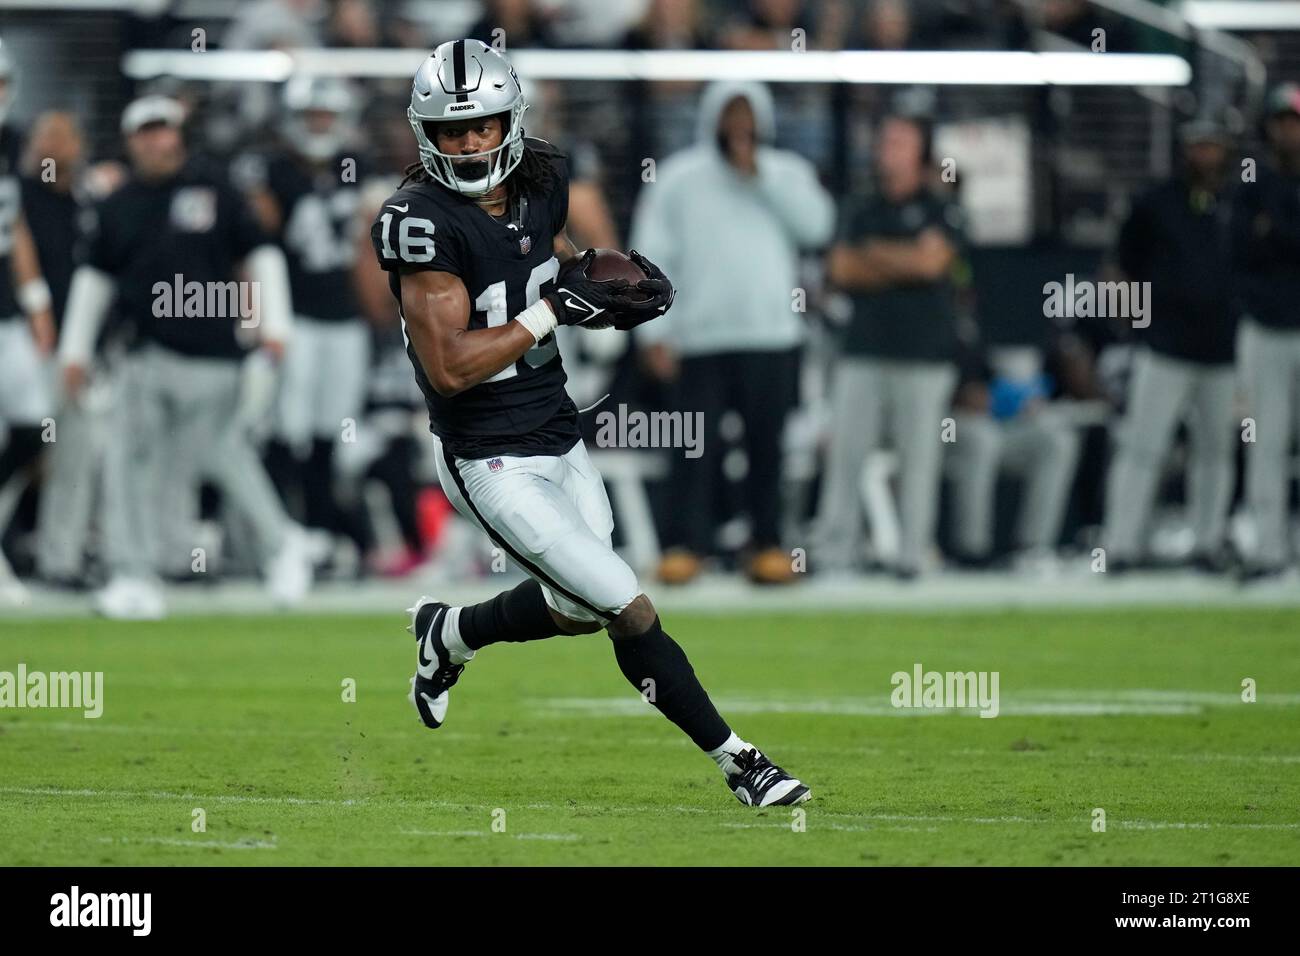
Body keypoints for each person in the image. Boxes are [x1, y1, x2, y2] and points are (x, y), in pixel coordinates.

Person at [371, 39, 810, 807]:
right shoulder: (419, 222)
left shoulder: (541, 175)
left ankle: (450, 634)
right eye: (454, 130)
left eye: (484, 126)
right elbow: (449, 366)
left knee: (578, 609)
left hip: (557, 428)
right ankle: (742, 763)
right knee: (625, 603)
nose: (472, 143)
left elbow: (560, 260)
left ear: (510, 121)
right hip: (487, 457)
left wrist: (604, 285)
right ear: (425, 134)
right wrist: (551, 310)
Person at [59, 95, 315, 618]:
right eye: (146, 132)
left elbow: (260, 250)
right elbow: (96, 276)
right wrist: (76, 348)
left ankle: (281, 542)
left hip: (216, 351)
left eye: (165, 130)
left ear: (178, 133)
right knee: (130, 462)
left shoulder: (216, 187)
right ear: (132, 139)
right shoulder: (119, 202)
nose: (157, 140)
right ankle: (134, 576)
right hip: (143, 350)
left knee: (219, 455)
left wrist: (276, 324)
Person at [630, 81, 834, 585]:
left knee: (768, 446)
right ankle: (685, 546)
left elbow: (817, 228)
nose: (739, 127)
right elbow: (650, 255)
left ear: (762, 121)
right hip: (698, 339)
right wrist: (653, 331)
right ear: (713, 118)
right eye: (731, 115)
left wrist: (758, 174)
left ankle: (765, 545)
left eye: (748, 116)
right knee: (692, 448)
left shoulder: (786, 173)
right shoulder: (679, 178)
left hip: (771, 336)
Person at [816, 112, 963, 578]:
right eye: (885, 138)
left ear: (921, 151)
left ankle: (911, 556)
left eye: (900, 140)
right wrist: (904, 258)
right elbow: (841, 270)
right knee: (845, 457)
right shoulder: (859, 205)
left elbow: (932, 264)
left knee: (919, 460)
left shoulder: (941, 205)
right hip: (862, 351)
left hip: (925, 355)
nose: (888, 147)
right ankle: (835, 553)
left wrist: (874, 254)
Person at [239, 76, 373, 556]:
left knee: (330, 431)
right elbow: (256, 235)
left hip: (344, 317)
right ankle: (281, 535)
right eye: (311, 116)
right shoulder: (271, 169)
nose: (319, 125)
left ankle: (320, 532)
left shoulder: (355, 165)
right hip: (292, 316)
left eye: (327, 116)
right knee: (285, 431)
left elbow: (367, 240)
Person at [1102, 119, 1238, 572]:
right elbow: (1122, 265)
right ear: (1185, 149)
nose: (1205, 154)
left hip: (1224, 348)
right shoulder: (1156, 203)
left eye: (1213, 145)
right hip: (1164, 345)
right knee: (1143, 447)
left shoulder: (1238, 201)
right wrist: (1133, 325)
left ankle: (1208, 543)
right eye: (1198, 145)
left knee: (1216, 451)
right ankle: (1119, 546)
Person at [1232, 84, 1300, 581]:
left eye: (1295, 121)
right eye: (1281, 121)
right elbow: (1236, 252)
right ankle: (1268, 549)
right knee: (1266, 441)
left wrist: (1274, 232)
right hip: (1265, 327)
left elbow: (1274, 241)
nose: (1288, 130)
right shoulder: (1252, 181)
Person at [0, 40, 57, 606]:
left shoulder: (13, 145)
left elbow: (13, 227)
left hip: (8, 316)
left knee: (33, 428)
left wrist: (37, 300)